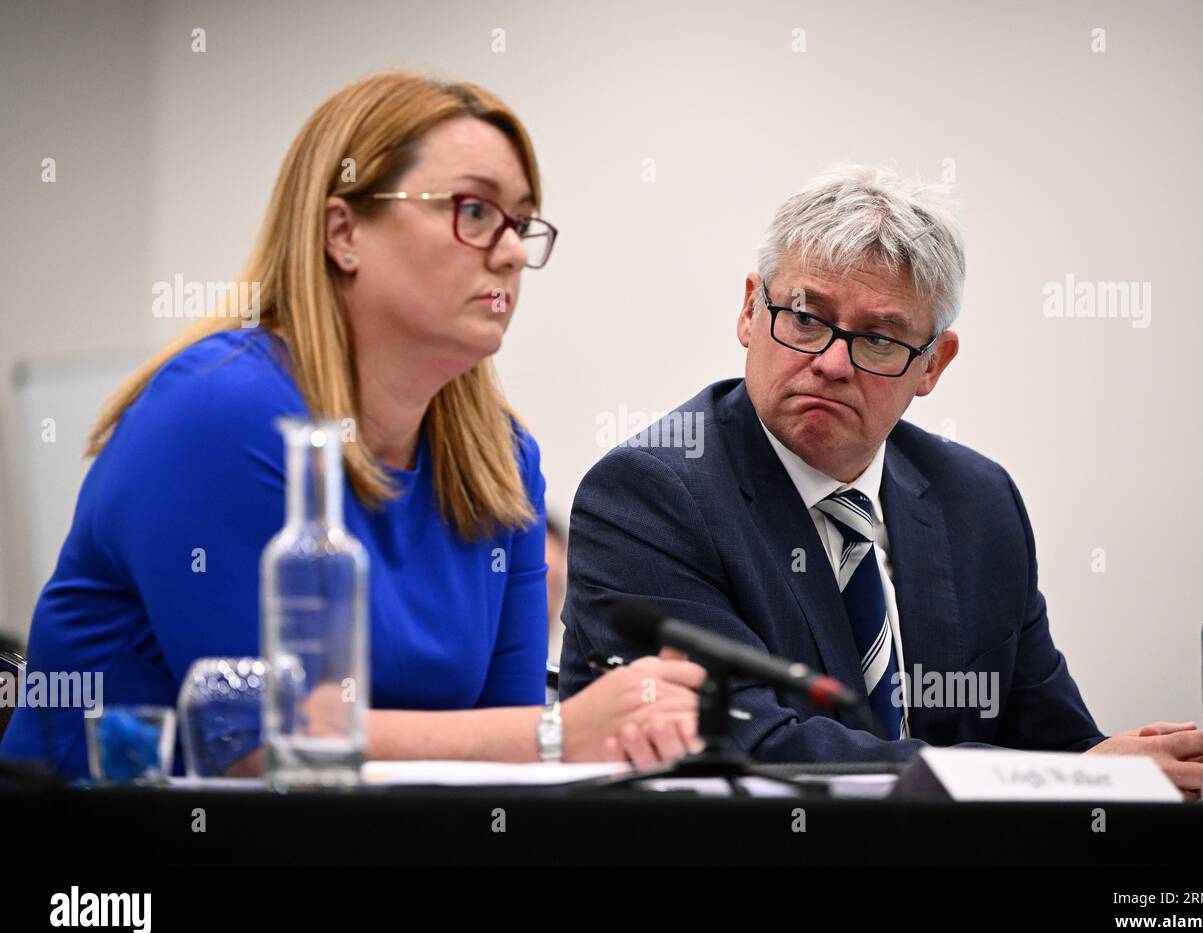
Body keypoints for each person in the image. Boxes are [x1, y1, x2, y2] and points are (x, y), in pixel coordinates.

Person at [0, 72, 702, 778]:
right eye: (474, 211)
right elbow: (249, 745)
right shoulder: (219, 408)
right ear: (344, 233)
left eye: (521, 222)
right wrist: (560, 735)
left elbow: (504, 758)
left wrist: (556, 739)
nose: (513, 251)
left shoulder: (501, 458)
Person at [559, 165, 1203, 796]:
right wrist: (1074, 774)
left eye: (878, 340)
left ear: (933, 365)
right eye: (806, 318)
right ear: (750, 311)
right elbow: (749, 747)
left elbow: (1054, 742)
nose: (832, 362)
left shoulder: (977, 502)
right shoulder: (648, 496)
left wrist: (1142, 766)